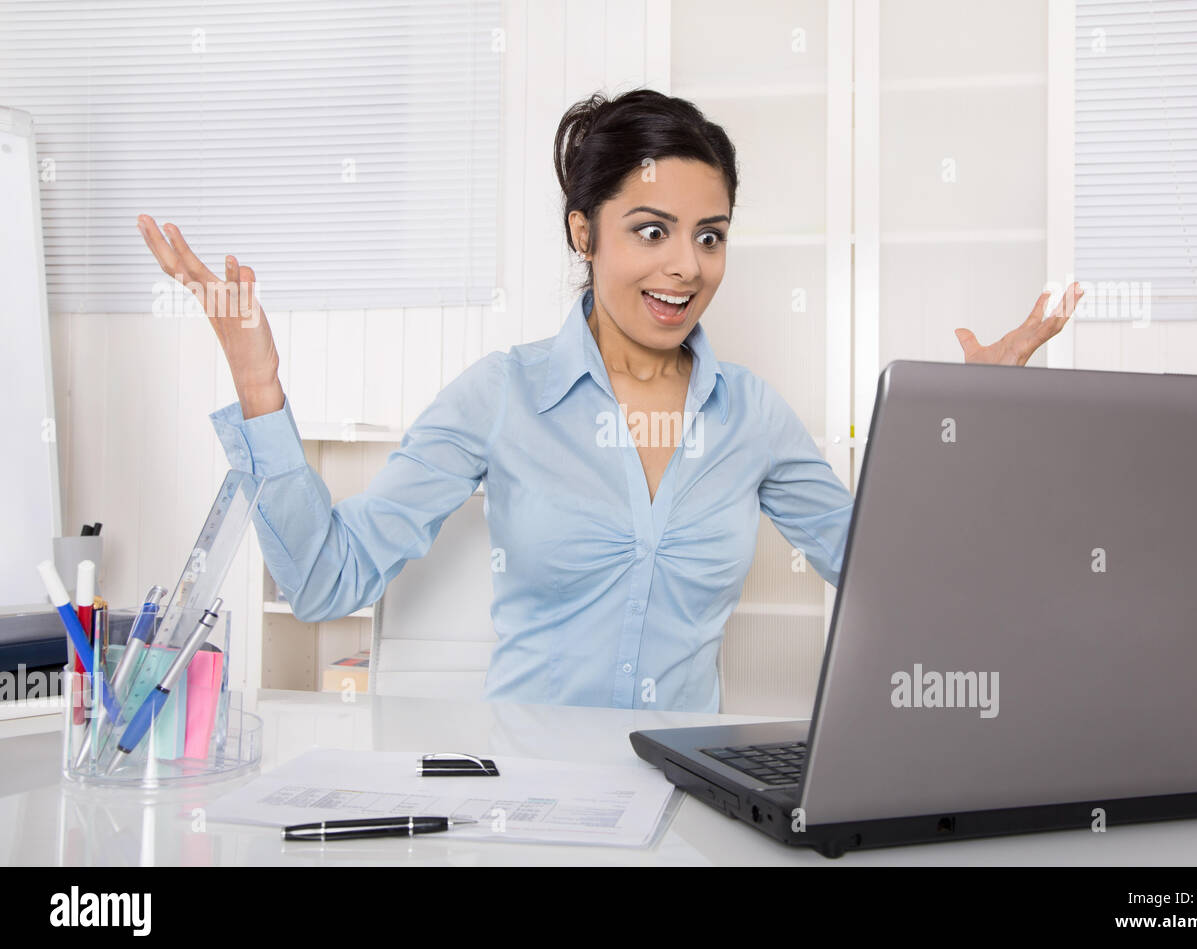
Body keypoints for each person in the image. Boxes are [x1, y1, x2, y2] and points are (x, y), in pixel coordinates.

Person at [135, 89, 1082, 712]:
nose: (685, 266)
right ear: (584, 232)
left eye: (709, 236)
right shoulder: (503, 395)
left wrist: (965, 422)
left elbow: (892, 573)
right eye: (652, 230)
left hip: (691, 801)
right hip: (529, 809)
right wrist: (257, 380)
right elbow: (325, 583)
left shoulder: (750, 417)